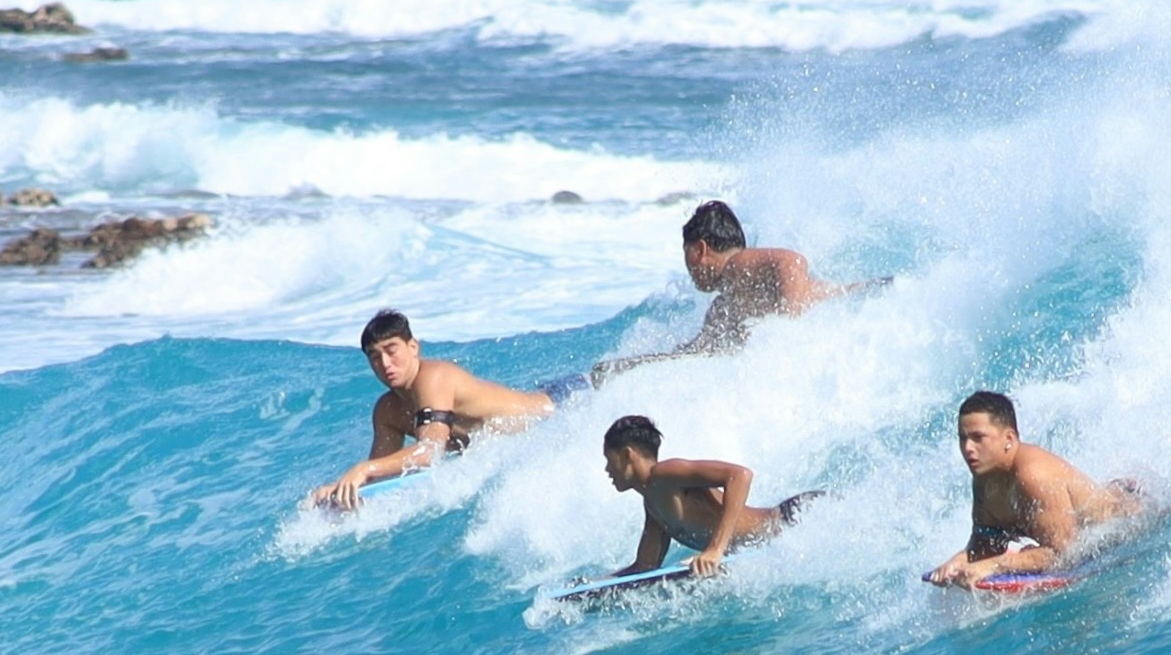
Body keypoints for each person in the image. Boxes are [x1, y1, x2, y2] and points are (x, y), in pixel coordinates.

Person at [310, 309, 557, 509]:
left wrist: (364, 469)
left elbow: (430, 452)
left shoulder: (433, 378)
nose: (385, 363)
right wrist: (338, 488)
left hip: (557, 408)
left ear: (413, 347)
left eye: (391, 350)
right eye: (375, 356)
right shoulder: (387, 410)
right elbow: (382, 471)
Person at [593, 200, 863, 379]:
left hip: (862, 300)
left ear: (700, 250)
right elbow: (691, 356)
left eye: (686, 255)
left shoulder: (738, 265)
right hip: (857, 318)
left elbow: (792, 261)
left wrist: (789, 332)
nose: (689, 268)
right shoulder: (723, 308)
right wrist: (626, 366)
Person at [925, 390, 1140, 587]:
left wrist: (994, 565)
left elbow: (1064, 554)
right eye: (963, 439)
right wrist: (957, 563)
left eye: (978, 438)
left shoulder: (1034, 476)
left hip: (1134, 521)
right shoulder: (984, 478)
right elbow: (985, 545)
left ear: (1009, 438)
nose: (967, 448)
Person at [598, 413, 822, 579]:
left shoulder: (665, 474)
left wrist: (716, 549)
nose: (607, 470)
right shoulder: (653, 505)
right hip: (781, 533)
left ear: (627, 454)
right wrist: (597, 583)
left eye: (609, 459)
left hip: (796, 519)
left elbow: (740, 476)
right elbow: (645, 568)